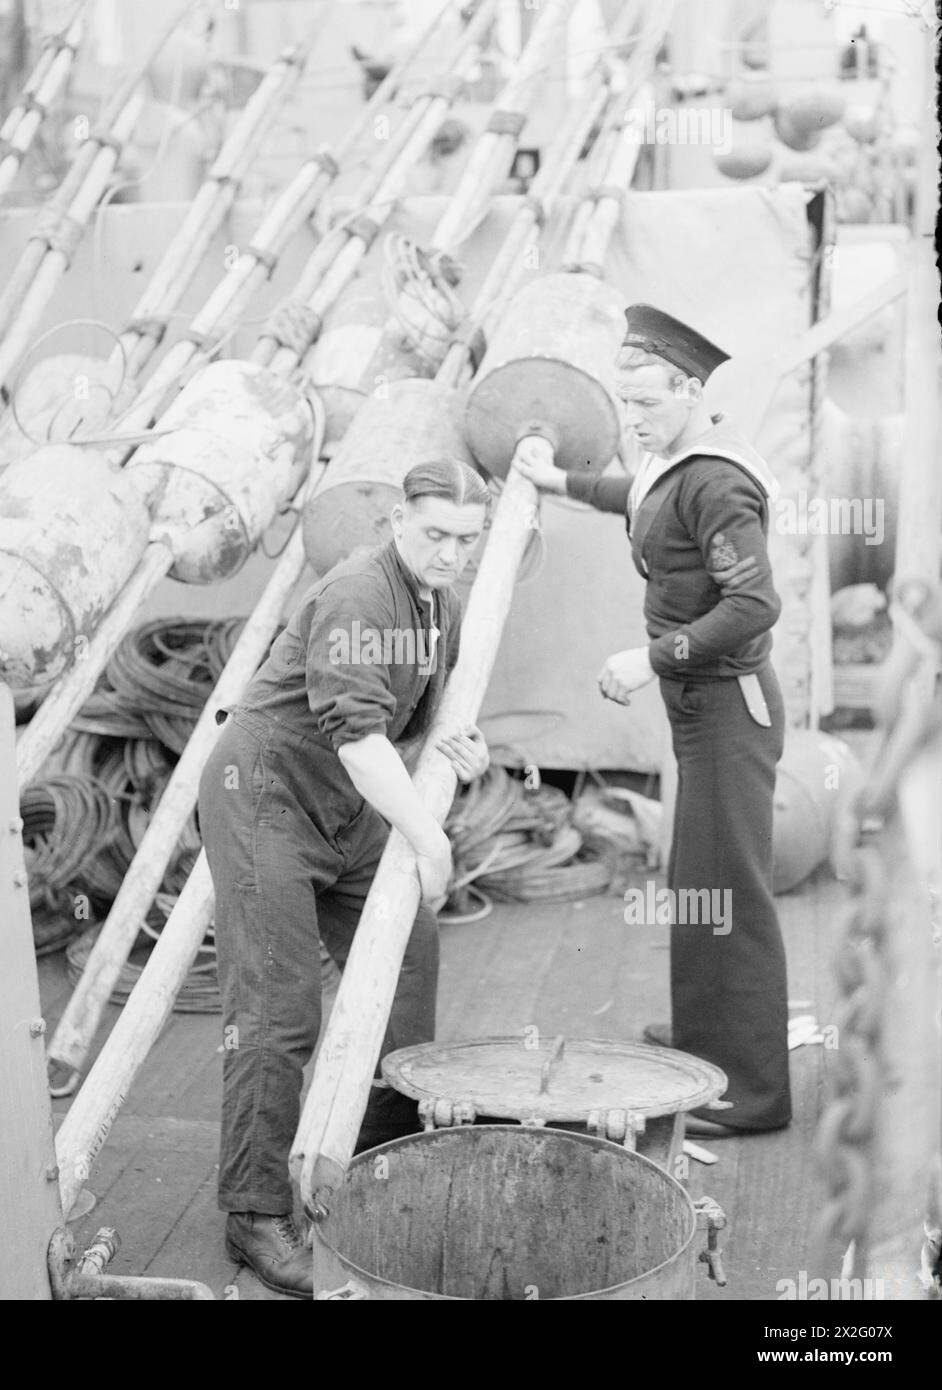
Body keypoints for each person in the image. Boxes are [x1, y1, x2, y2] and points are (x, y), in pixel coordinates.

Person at [199, 458, 493, 1297]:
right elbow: (361, 737)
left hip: (339, 796)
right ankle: (254, 1214)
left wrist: (461, 747)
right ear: (399, 518)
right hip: (265, 793)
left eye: (466, 541)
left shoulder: (444, 603)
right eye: (434, 534)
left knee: (409, 947)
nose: (449, 553)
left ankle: (381, 1145)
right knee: (277, 1006)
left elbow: (412, 727)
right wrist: (430, 838)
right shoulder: (361, 592)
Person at [515, 303, 791, 1141]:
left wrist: (650, 658)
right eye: (623, 404)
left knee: (727, 896)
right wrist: (547, 476)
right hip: (699, 711)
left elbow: (753, 602)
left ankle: (748, 1095)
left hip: (726, 711)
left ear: (692, 392)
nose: (631, 422)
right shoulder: (671, 464)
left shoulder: (715, 480)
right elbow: (628, 496)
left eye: (646, 405)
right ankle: (709, 1041)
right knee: (696, 884)